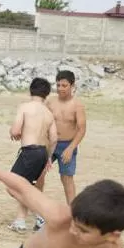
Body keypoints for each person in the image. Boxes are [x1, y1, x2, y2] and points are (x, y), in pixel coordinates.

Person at [7, 77, 57, 234]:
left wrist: (14, 132)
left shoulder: (25, 107)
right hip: (43, 152)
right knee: (27, 187)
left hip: (30, 151)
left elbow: (15, 130)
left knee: (12, 186)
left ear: (31, 90)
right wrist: (49, 157)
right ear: (46, 94)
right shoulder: (49, 113)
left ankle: (40, 215)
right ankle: (20, 220)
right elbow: (54, 138)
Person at [35, 70, 87, 211]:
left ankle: (73, 211)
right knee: (39, 174)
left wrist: (70, 149)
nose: (60, 88)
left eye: (64, 85)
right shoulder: (50, 102)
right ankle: (38, 206)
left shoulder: (77, 105)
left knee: (67, 178)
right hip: (49, 143)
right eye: (58, 85)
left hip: (67, 145)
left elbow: (82, 129)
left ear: (72, 86)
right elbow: (42, 122)